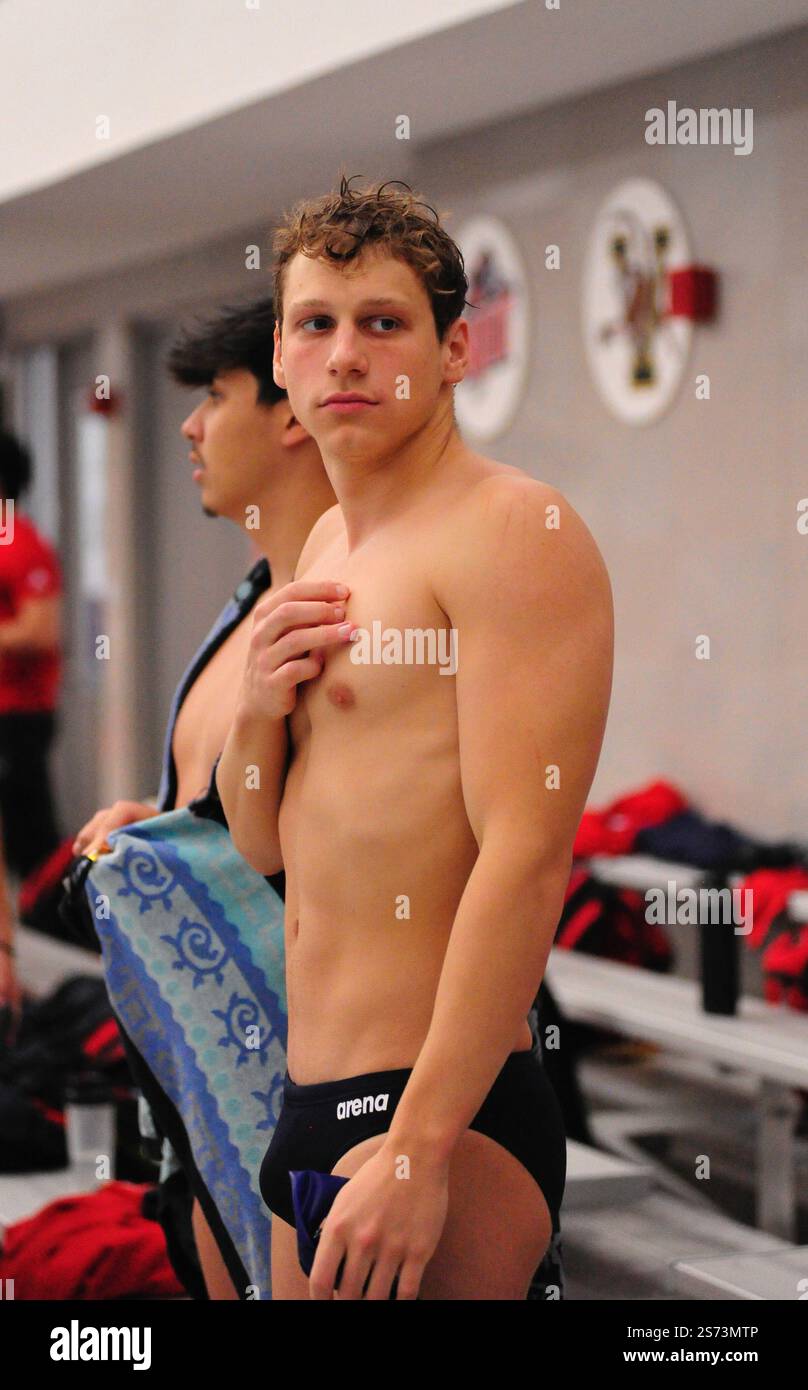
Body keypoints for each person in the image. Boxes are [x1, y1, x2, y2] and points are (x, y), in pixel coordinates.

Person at [218, 176, 614, 1300]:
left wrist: (418, 1143)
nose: (346, 354)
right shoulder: (329, 545)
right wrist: (256, 703)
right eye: (317, 325)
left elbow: (525, 854)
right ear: (285, 363)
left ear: (453, 350)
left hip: (438, 1103)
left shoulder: (510, 532)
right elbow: (263, 843)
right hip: (313, 1097)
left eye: (383, 323)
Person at [72, 297, 336, 1297]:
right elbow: (230, 810)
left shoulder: (337, 604)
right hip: (204, 1085)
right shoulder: (253, 601)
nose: (188, 426)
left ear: (289, 417)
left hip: (310, 1077)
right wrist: (161, 825)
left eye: (214, 396)